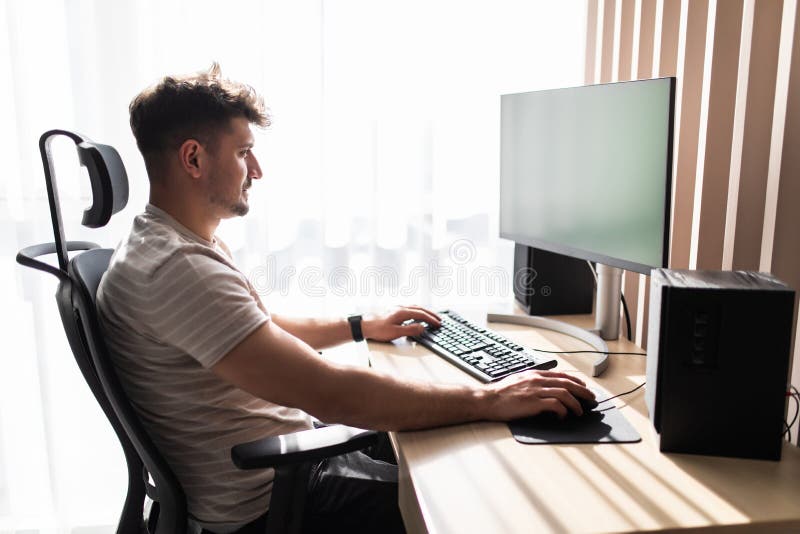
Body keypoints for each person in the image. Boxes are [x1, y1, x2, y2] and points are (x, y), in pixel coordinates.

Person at [97, 63, 595, 534]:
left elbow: (261, 327)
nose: (258, 170)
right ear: (193, 158)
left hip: (291, 466)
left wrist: (359, 325)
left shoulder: (171, 244)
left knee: (464, 441)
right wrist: (489, 398)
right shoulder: (177, 269)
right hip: (278, 503)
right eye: (244, 152)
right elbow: (327, 392)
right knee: (485, 496)